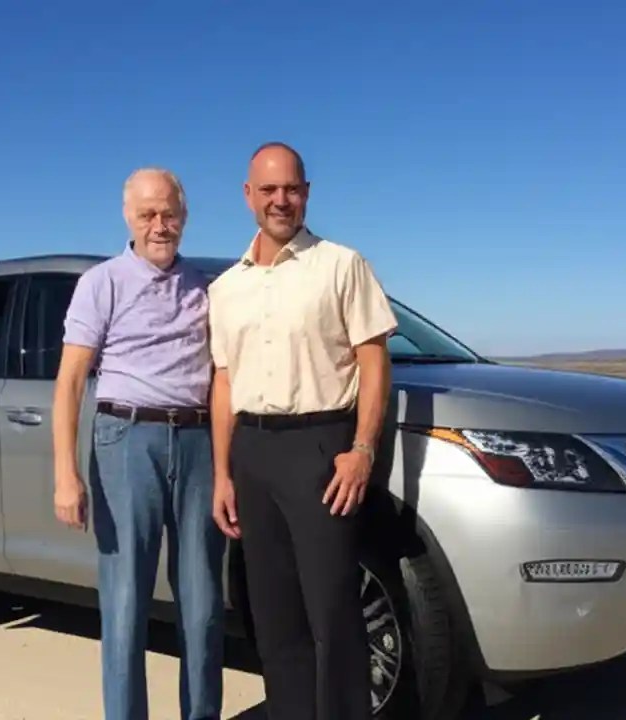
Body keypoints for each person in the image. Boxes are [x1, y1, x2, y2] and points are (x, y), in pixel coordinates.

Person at [207, 142, 398, 720]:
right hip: (252, 453)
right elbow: (223, 383)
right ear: (248, 196)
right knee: (274, 615)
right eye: (268, 190)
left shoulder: (341, 265)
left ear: (307, 192)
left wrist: (362, 448)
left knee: (333, 612)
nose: (280, 201)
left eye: (291, 188)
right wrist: (222, 473)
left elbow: (373, 358)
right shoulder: (225, 288)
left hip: (321, 447)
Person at [52, 167, 225, 720]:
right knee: (126, 599)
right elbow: (71, 381)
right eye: (148, 214)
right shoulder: (101, 283)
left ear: (184, 217)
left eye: (169, 214)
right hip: (126, 441)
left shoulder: (203, 287)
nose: (160, 225)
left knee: (202, 604)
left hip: (197, 441)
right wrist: (66, 473)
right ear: (129, 217)